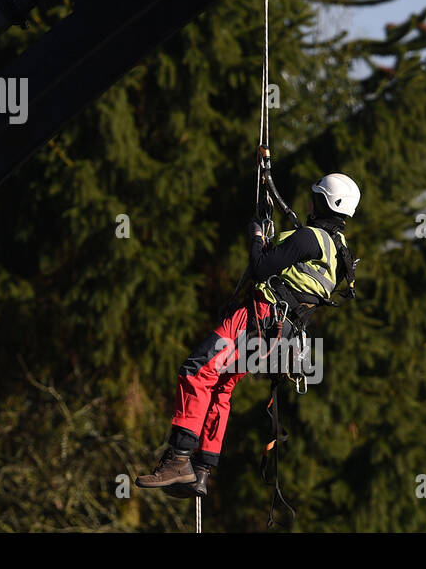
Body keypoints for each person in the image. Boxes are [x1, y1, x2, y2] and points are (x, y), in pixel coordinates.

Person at [135, 173, 360, 498]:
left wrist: (256, 234)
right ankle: (201, 470)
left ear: (325, 203)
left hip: (259, 319)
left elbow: (259, 267)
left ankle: (180, 457)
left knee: (197, 371)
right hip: (277, 336)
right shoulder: (338, 253)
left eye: (315, 197)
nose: (310, 202)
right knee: (221, 386)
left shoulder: (309, 238)